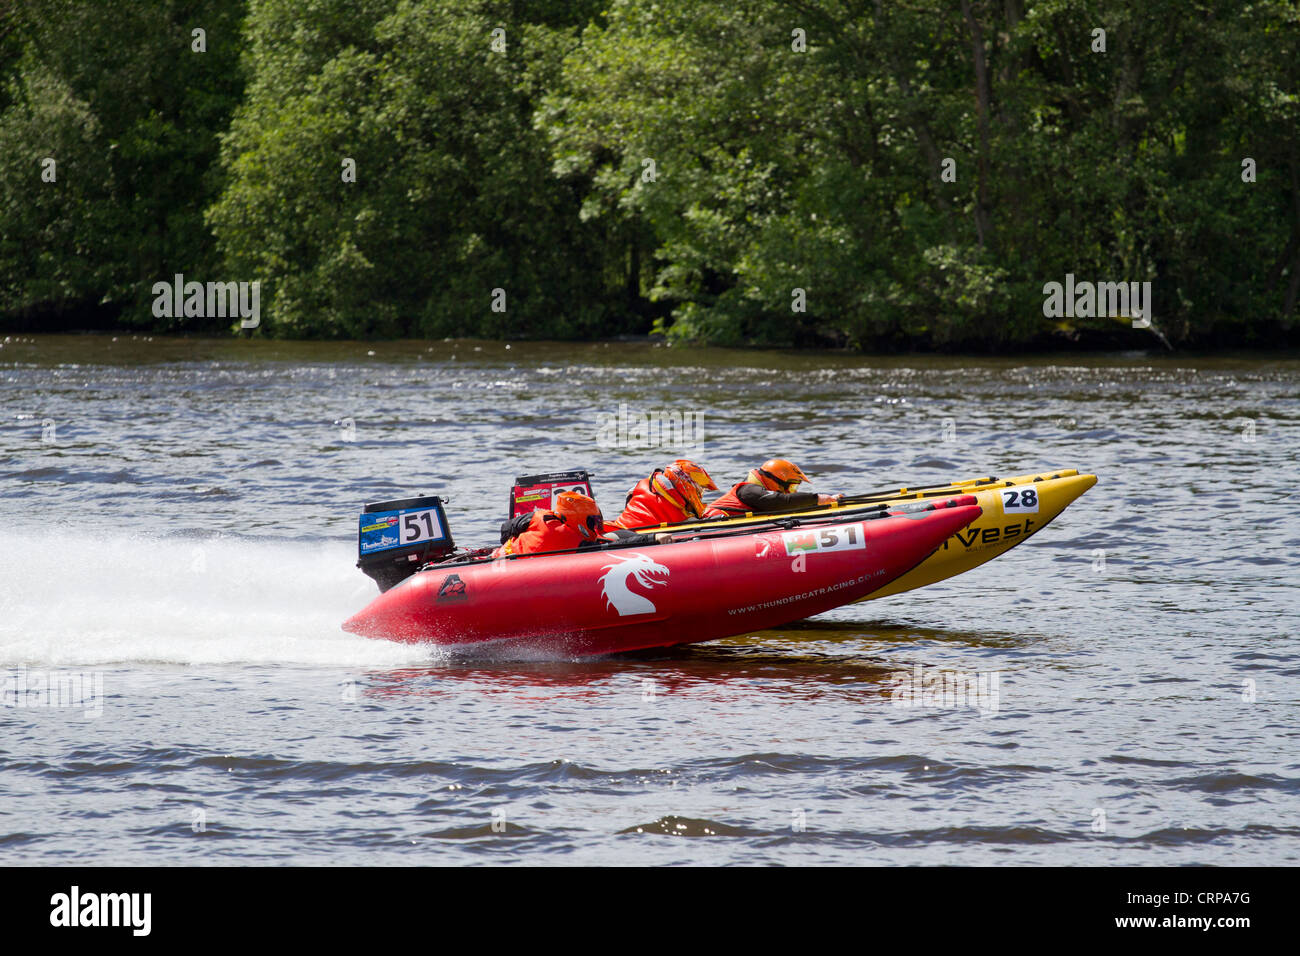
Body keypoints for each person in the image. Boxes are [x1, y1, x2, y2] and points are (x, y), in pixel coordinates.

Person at [493, 491, 667, 558]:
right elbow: (613, 546)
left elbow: (506, 529)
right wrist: (653, 538)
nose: (596, 529)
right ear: (579, 520)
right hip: (512, 568)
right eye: (594, 523)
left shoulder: (541, 516)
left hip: (502, 554)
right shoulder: (570, 540)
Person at [702, 458, 841, 518]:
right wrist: (817, 498)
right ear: (775, 481)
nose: (792, 492)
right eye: (792, 487)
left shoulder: (758, 494)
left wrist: (828, 501)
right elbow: (779, 501)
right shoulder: (747, 490)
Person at [613, 459, 718, 529]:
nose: (700, 495)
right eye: (700, 490)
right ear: (686, 485)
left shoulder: (648, 486)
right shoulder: (675, 509)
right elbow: (696, 522)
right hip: (627, 538)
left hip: (619, 528)